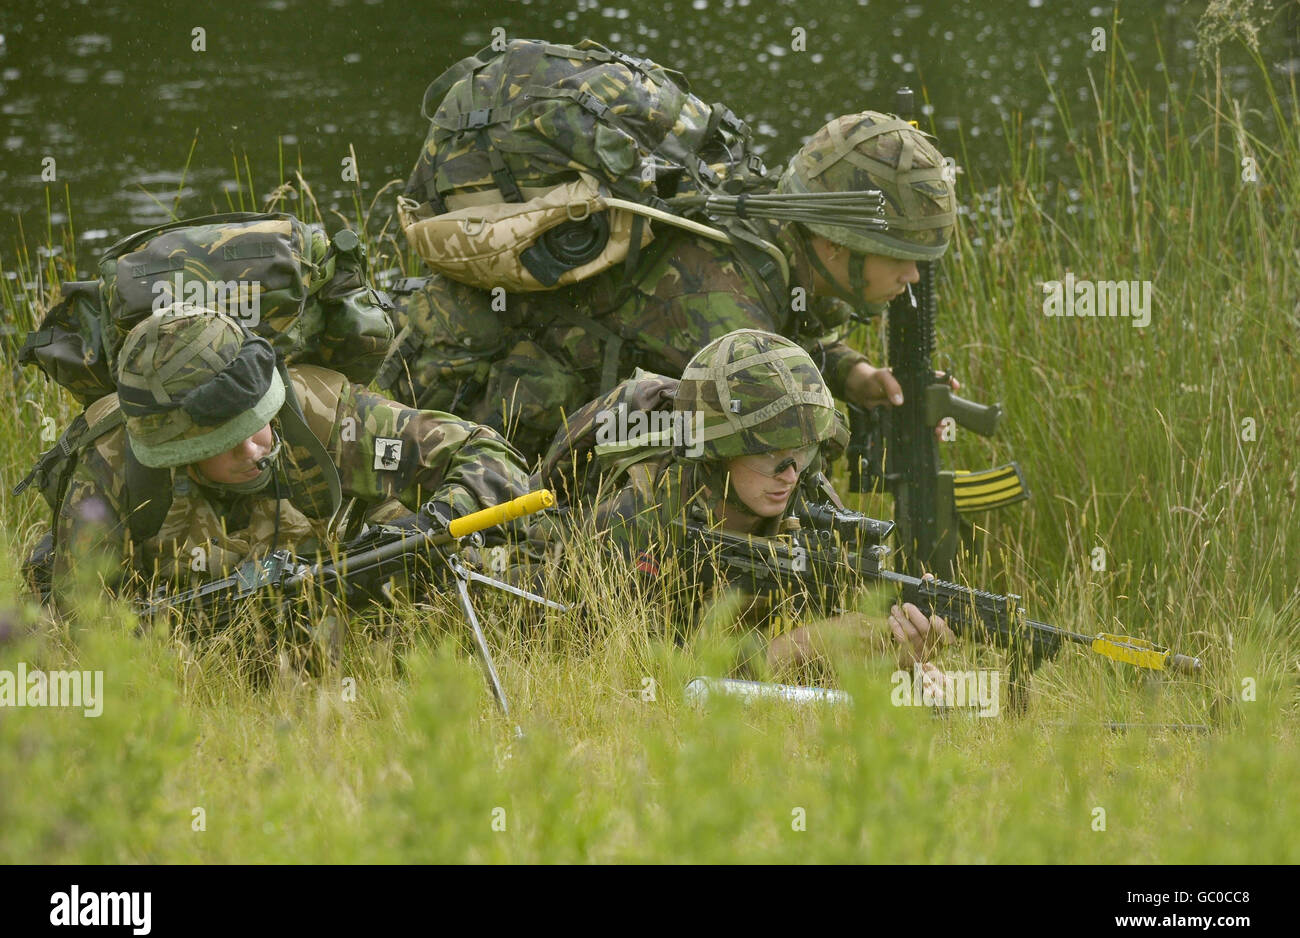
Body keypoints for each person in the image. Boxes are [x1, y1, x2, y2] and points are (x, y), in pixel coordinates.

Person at [376, 109, 957, 461]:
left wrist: (851, 372)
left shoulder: (767, 226)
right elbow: (782, 437)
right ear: (835, 245)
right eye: (900, 258)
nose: (910, 277)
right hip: (462, 405)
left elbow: (782, 331)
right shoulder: (723, 297)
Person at [528, 328, 952, 679]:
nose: (791, 473)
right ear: (719, 451)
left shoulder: (810, 506)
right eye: (772, 455)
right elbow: (620, 679)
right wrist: (796, 648)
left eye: (803, 452)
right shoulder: (638, 515)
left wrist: (892, 662)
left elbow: (814, 680)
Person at [50, 302, 531, 611]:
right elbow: (80, 620)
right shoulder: (112, 463)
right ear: (178, 455)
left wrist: (433, 524)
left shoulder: (322, 413)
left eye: (253, 422)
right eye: (224, 442)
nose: (252, 447)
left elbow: (488, 454)